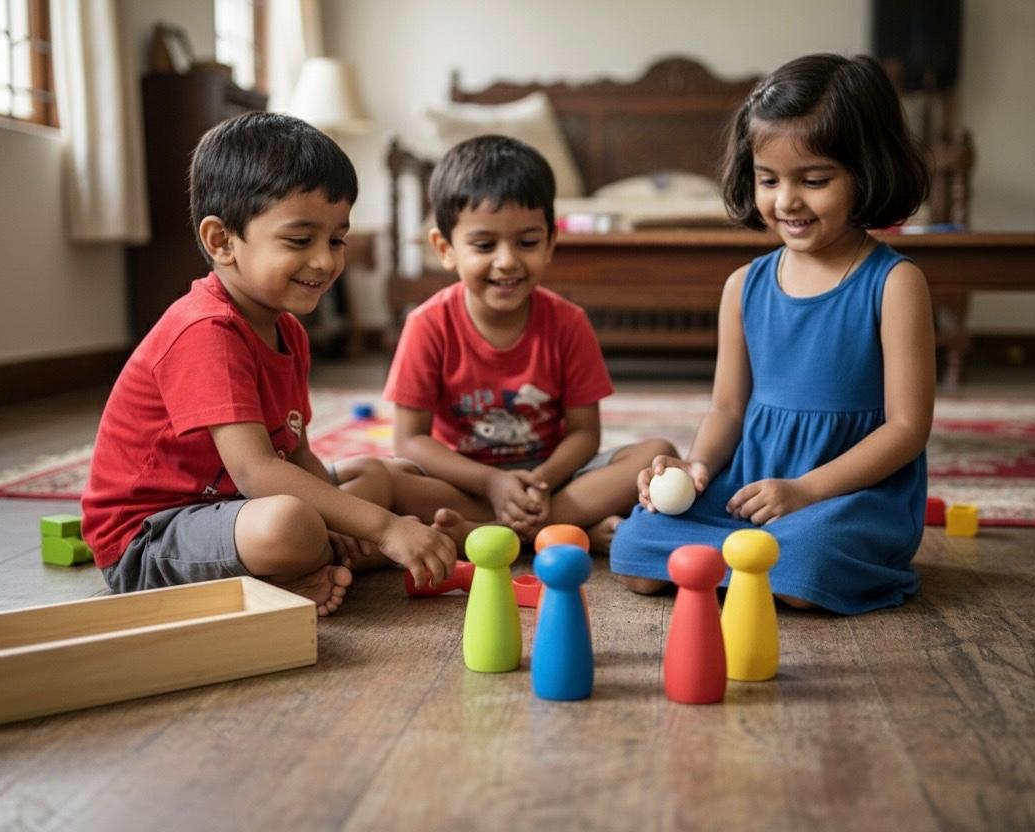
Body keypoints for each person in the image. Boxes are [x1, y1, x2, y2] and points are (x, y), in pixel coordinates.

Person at [81, 112, 456, 613]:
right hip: (151, 538)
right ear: (221, 241)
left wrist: (356, 517)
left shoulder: (288, 332)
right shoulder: (205, 330)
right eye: (300, 241)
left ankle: (326, 557)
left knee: (372, 475)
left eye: (336, 239)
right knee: (292, 523)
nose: (325, 261)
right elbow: (258, 472)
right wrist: (383, 527)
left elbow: (295, 456)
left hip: (232, 511)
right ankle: (293, 575)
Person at [609, 54, 934, 614]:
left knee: (806, 565)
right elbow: (727, 409)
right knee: (636, 549)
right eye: (768, 180)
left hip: (848, 495)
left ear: (867, 171)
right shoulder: (744, 286)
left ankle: (745, 563)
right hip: (752, 486)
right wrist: (695, 467)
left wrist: (806, 491)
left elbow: (907, 428)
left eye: (814, 180)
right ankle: (745, 561)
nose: (786, 201)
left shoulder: (895, 284)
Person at [381, 135, 675, 555]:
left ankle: (486, 535)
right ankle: (559, 531)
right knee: (380, 478)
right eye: (484, 245)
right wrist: (492, 482)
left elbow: (584, 434)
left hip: (551, 484)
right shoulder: (427, 324)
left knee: (656, 455)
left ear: (550, 242)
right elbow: (410, 440)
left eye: (527, 242)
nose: (507, 261)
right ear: (445, 249)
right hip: (466, 484)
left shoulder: (568, 322)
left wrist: (538, 482)